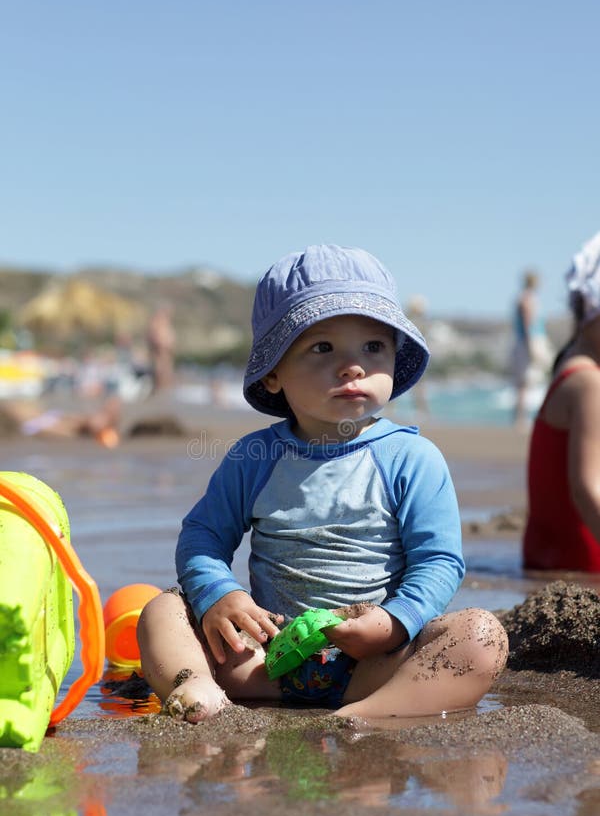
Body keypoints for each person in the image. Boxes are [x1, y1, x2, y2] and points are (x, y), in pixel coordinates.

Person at [138, 245, 508, 721]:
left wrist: (394, 622)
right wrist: (220, 596)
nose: (353, 366)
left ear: (394, 358)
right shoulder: (255, 457)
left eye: (373, 347)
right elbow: (203, 536)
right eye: (322, 347)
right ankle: (196, 688)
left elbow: (438, 561)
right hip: (262, 658)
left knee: (482, 637)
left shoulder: (411, 458)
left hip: (371, 661)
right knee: (161, 610)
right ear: (273, 374)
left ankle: (369, 713)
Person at [523, 231, 600, 571]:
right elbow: (587, 490)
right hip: (577, 562)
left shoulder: (569, 363)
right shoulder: (589, 382)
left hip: (546, 553)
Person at [510, 270, 553, 428]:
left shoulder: (525, 298)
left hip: (528, 341)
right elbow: (528, 324)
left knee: (528, 381)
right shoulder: (527, 299)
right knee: (525, 382)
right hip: (529, 342)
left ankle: (523, 417)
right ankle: (521, 419)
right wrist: (530, 346)